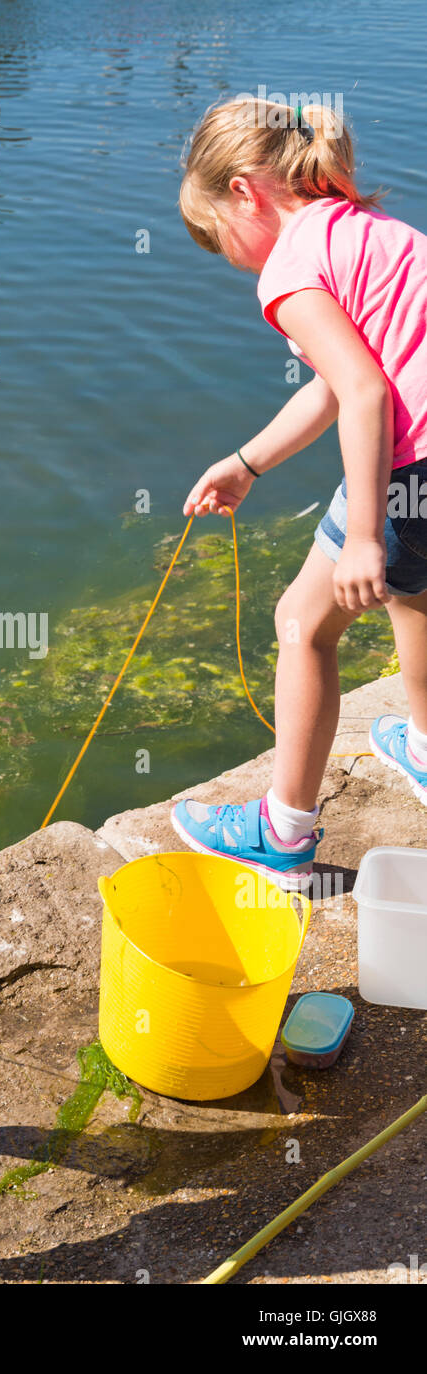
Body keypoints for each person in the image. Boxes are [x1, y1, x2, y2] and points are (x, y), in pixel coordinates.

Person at [170, 94, 427, 893]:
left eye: (217, 238)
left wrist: (362, 534)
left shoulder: (288, 266)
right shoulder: (356, 226)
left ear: (247, 190)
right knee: (414, 597)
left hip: (414, 463)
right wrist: (248, 462)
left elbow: (363, 394)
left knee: (303, 623)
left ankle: (282, 833)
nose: (229, 258)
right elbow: (346, 379)